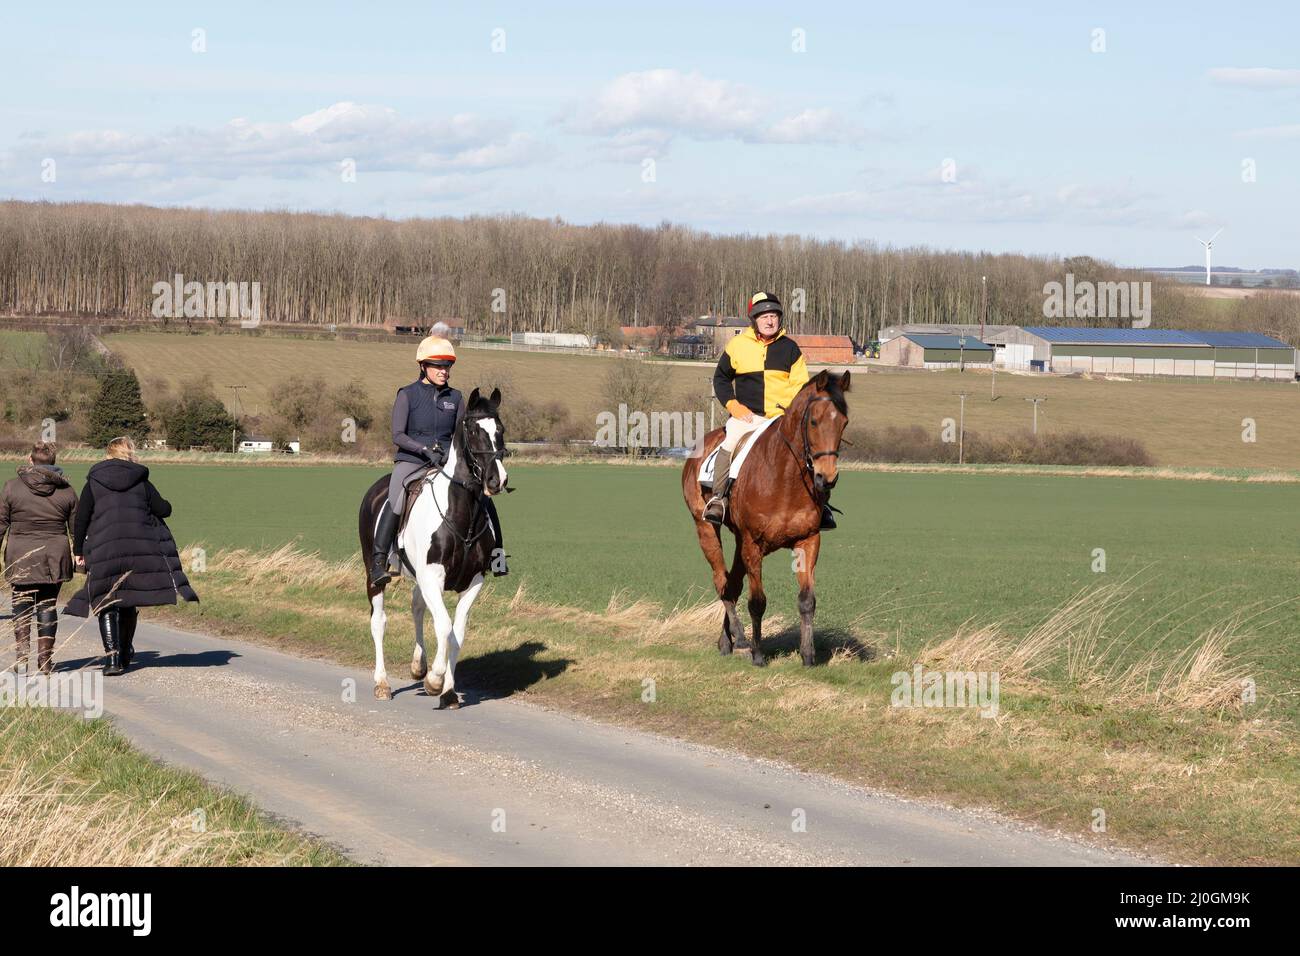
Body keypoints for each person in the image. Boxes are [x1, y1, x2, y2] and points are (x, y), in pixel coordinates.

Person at [369, 324, 507, 587]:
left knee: (484, 499)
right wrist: (423, 450)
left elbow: (462, 434)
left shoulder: (456, 398)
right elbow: (398, 435)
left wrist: (454, 456)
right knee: (395, 498)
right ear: (423, 366)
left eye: (447, 366)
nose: (443, 371)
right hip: (411, 461)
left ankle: (497, 555)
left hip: (445, 462)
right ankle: (380, 561)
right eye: (437, 365)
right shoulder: (407, 395)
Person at [64, 436, 199, 675]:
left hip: (104, 548)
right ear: (129, 454)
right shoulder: (141, 481)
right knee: (129, 598)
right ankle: (126, 652)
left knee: (106, 599)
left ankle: (113, 659)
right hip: (138, 549)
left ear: (108, 453)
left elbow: (82, 518)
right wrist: (164, 504)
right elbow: (163, 509)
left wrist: (78, 552)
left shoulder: (93, 482)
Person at [705, 291, 836, 529]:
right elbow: (721, 378)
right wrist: (733, 405)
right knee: (730, 440)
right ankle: (718, 498)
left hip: (781, 419)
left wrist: (793, 415)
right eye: (764, 316)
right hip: (747, 417)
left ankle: (821, 504)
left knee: (814, 448)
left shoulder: (791, 349)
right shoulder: (737, 345)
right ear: (754, 319)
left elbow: (800, 387)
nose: (769, 321)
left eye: (774, 315)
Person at [0, 442, 77, 674]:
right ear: (54, 463)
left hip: (20, 552)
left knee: (21, 603)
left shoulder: (11, 488)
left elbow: (1, 523)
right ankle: (45, 661)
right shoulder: (67, 491)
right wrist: (82, 553)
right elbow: (77, 528)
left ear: (30, 460)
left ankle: (21, 657)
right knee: (47, 604)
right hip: (55, 554)